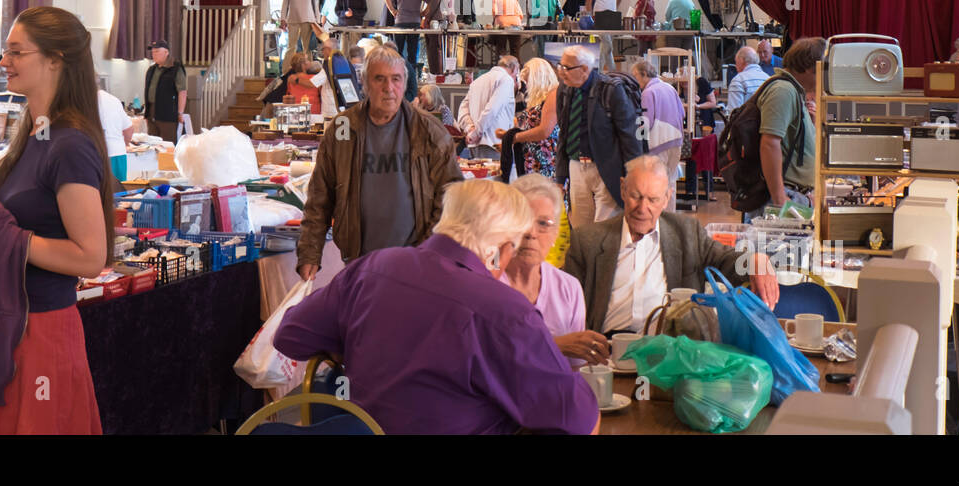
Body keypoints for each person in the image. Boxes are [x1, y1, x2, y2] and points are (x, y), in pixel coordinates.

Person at [278, 179, 599, 434]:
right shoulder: (505, 310)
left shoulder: (372, 267)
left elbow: (290, 336)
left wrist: (353, 342)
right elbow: (577, 419)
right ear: (502, 251)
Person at [0, 6, 113, 434]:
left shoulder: (69, 146)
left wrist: (5, 237)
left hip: (39, 333)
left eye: (16, 52)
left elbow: (91, 257)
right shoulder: (36, 134)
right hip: (6, 326)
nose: (4, 62)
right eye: (5, 52)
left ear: (55, 59)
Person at [296, 47, 463, 279]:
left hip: (415, 264)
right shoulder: (343, 128)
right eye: (379, 79)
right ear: (364, 84)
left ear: (405, 83)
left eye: (396, 79)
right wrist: (309, 253)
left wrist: (427, 251)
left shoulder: (429, 130)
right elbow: (319, 197)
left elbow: (451, 196)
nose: (388, 88)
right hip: (359, 263)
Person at [565, 156, 778, 335]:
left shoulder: (686, 232)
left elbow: (725, 260)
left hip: (671, 349)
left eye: (653, 200)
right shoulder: (587, 241)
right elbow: (564, 309)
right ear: (623, 189)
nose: (643, 208)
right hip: (607, 349)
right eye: (636, 196)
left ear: (667, 198)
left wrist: (755, 261)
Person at [503, 174, 605, 366]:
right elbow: (485, 357)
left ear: (556, 233)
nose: (531, 233)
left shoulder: (568, 287)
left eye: (543, 224)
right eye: (522, 220)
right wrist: (555, 345)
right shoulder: (487, 283)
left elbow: (576, 367)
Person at [554, 44, 644, 227]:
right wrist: (560, 178)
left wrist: (634, 176)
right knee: (581, 229)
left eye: (567, 68)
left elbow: (629, 136)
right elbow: (564, 133)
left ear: (584, 69)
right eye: (560, 66)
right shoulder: (564, 90)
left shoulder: (610, 90)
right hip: (576, 167)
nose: (562, 72)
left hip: (607, 168)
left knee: (605, 229)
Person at [757, 38, 826, 220]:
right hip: (784, 197)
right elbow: (769, 143)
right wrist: (780, 199)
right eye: (823, 71)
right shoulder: (783, 90)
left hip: (793, 194)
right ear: (809, 68)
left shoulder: (792, 90)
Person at [630, 59, 685, 192]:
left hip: (659, 146)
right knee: (670, 184)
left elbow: (645, 122)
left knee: (657, 186)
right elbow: (682, 113)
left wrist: (637, 143)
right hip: (676, 142)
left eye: (635, 75)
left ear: (644, 74)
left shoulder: (648, 93)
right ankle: (670, 207)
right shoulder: (670, 88)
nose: (634, 80)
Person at [458, 55, 519, 159]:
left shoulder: (477, 81)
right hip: (494, 143)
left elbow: (463, 109)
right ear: (514, 69)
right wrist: (477, 132)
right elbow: (492, 109)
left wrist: (470, 128)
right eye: (517, 73)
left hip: (474, 144)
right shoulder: (506, 80)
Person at [143, 38, 186, 142]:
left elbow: (182, 92)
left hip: (168, 113)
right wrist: (147, 113)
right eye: (153, 52)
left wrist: (180, 113)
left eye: (157, 51)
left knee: (167, 143)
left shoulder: (175, 68)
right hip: (152, 111)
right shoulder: (151, 69)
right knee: (152, 143)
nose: (154, 54)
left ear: (166, 52)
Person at [279, 0, 323, 66]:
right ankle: (286, 70)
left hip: (308, 19)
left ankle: (309, 68)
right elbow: (285, 3)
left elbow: (314, 2)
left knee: (307, 48)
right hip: (293, 20)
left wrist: (318, 19)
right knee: (291, 47)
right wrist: (283, 19)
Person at [384, 0, 429, 67]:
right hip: (415, 22)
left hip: (400, 21)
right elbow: (431, 2)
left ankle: (398, 71)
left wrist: (393, 10)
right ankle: (411, 72)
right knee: (412, 51)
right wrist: (423, 13)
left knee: (398, 50)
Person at [584, 0, 623, 70]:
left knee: (605, 46)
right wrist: (589, 16)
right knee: (608, 44)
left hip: (612, 16)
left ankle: (600, 70)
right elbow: (589, 0)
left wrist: (616, 7)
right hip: (599, 16)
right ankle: (611, 70)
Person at [421, 0, 457, 74]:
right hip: (447, 19)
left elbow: (434, 3)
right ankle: (445, 74)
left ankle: (436, 75)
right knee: (444, 48)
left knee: (434, 49)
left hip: (437, 19)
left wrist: (426, 17)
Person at [96, 88, 134, 182]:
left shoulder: (80, 100)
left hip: (95, 154)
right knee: (118, 189)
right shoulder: (112, 99)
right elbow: (129, 129)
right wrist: (124, 143)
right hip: (117, 152)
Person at [723, 45, 769, 116]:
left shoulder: (738, 80)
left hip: (747, 122)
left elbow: (734, 114)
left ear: (741, 61)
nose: (736, 67)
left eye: (736, 62)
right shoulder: (768, 78)